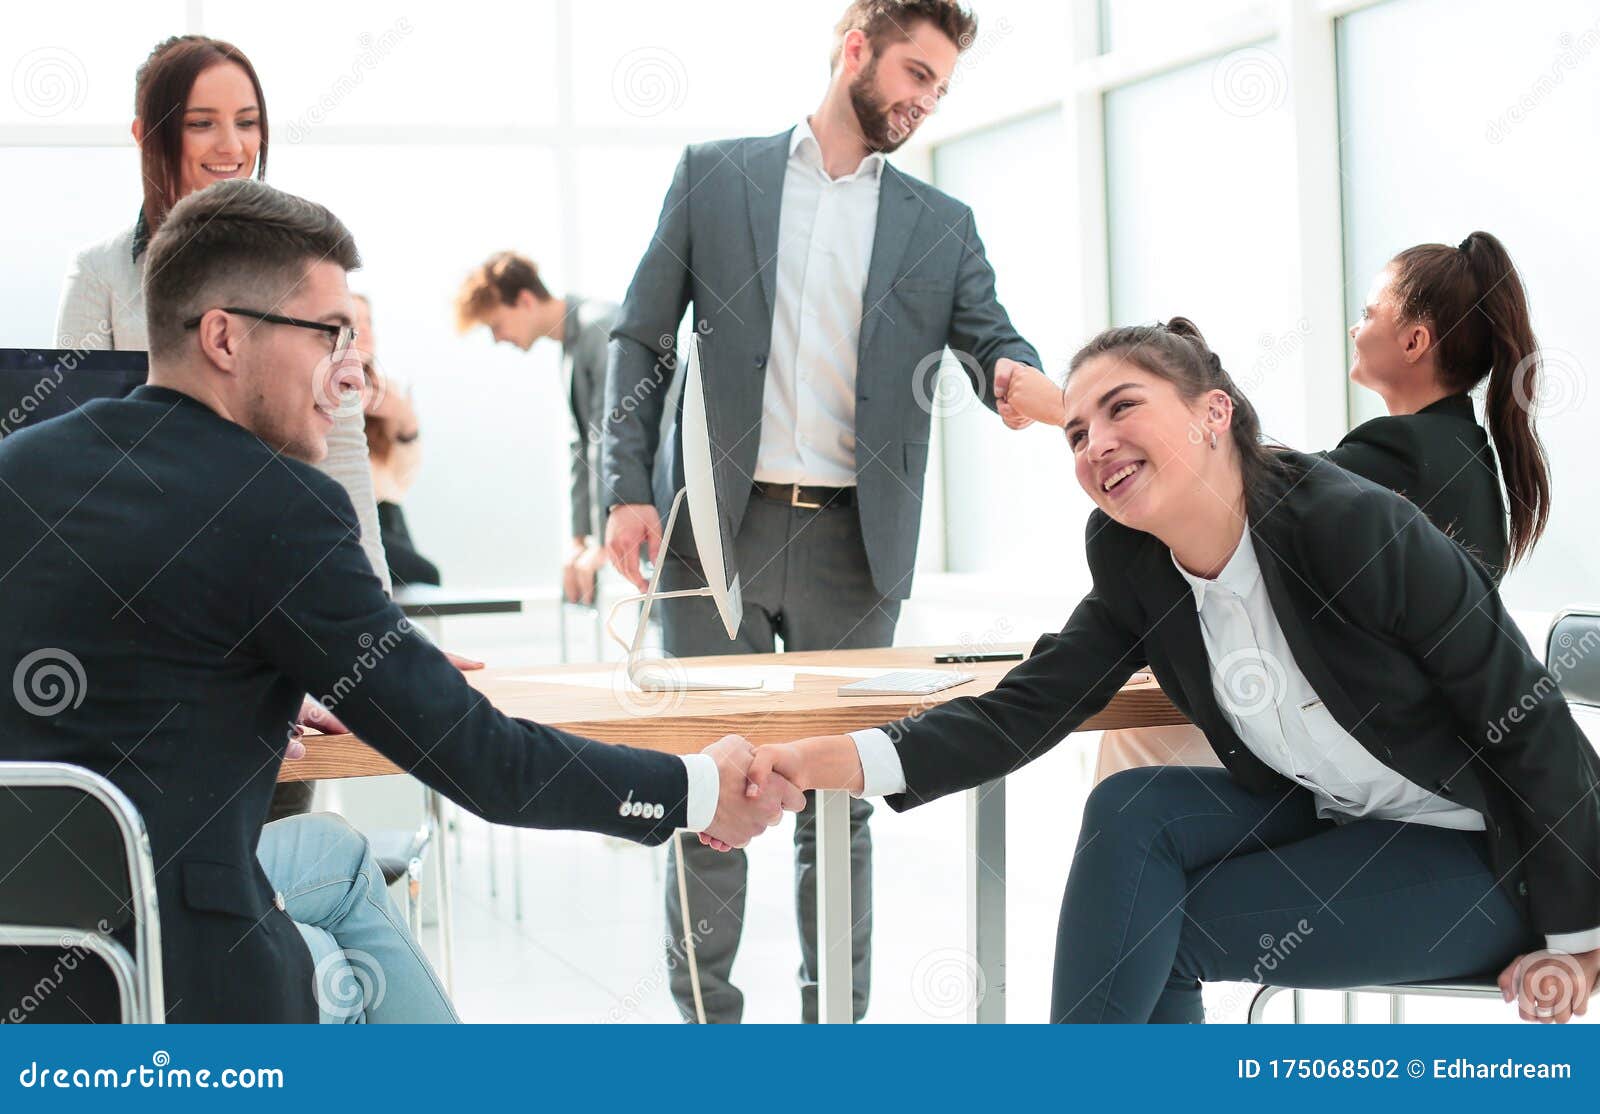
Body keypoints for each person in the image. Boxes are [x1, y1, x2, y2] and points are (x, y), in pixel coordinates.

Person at [0, 179, 804, 1023]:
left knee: (339, 856)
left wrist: (252, 694)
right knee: (333, 962)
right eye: (328, 336)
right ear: (224, 337)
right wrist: (697, 790)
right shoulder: (278, 508)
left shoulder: (21, 468)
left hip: (32, 956)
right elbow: (480, 759)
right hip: (185, 990)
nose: (354, 372)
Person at [745, 319, 1600, 1023]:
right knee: (1131, 807)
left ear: (1213, 414)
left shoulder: (1350, 526)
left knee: (1158, 929)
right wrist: (840, 760)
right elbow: (1027, 708)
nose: (1095, 445)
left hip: (1487, 855)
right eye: (1076, 433)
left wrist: (1581, 941)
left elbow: (1528, 720)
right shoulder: (1135, 559)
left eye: (1122, 409)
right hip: (1345, 817)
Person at [602, 0, 1043, 1023]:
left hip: (858, 544)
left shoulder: (941, 225)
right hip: (717, 530)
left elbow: (994, 343)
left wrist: (1041, 383)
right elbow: (639, 338)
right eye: (918, 75)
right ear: (856, 50)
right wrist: (626, 489)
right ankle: (708, 1025)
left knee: (839, 798)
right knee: (705, 787)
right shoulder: (717, 176)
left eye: (939, 86)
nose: (927, 101)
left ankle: (831, 1034)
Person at [996, 232, 1553, 780]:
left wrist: (1065, 408)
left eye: (1369, 312)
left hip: (1378, 752)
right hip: (1386, 727)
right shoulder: (1453, 450)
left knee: (1140, 748)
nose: (1354, 327)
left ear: (1413, 343)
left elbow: (1244, 487)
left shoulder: (1401, 457)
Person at [53, 34, 389, 591]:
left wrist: (380, 630)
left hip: (281, 567)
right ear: (146, 135)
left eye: (248, 121)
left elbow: (345, 453)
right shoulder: (101, 273)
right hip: (151, 577)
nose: (232, 145)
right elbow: (79, 457)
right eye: (201, 123)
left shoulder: (311, 266)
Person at [455, 252, 615, 605]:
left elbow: (610, 437)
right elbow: (581, 445)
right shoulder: (574, 344)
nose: (498, 339)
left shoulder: (598, 329)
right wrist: (579, 538)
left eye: (496, 324)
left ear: (525, 300)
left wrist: (603, 541)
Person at [356, 293, 440, 588]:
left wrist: (406, 423)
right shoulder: (324, 393)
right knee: (424, 578)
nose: (365, 331)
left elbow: (402, 480)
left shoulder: (387, 391)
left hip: (390, 516)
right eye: (354, 322)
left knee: (419, 587)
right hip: (355, 518)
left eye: (369, 321)